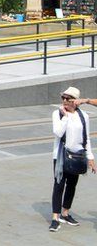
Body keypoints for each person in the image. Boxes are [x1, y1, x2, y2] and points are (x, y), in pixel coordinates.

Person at [49, 87, 96, 232]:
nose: (64, 101)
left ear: (75, 101)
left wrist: (90, 158)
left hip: (77, 156)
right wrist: (65, 116)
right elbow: (57, 132)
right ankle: (55, 218)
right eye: (63, 97)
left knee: (72, 185)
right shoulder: (57, 113)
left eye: (68, 98)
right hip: (61, 156)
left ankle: (65, 213)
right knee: (59, 185)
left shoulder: (83, 116)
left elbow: (86, 138)